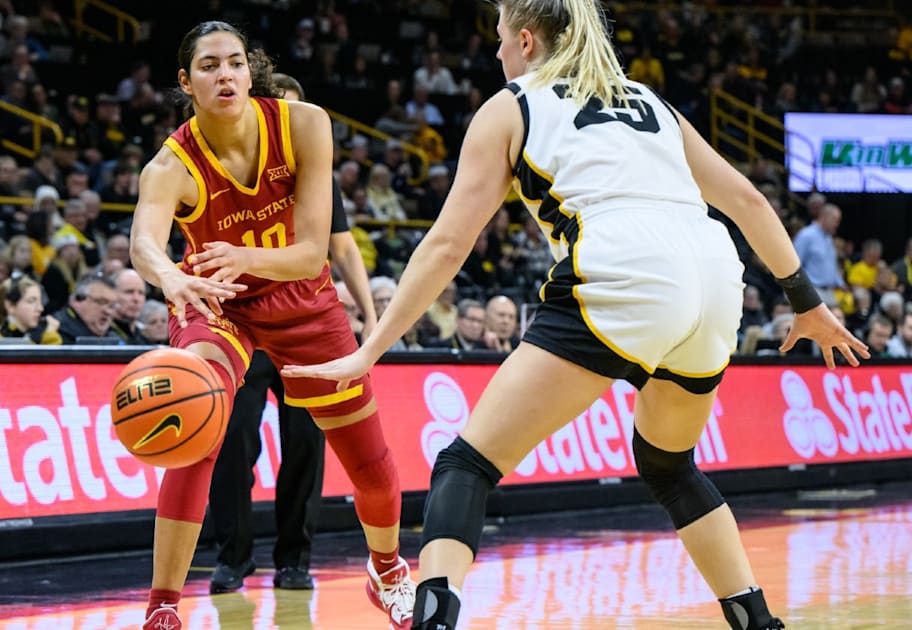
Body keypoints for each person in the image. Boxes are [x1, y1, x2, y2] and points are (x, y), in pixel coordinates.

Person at [282, 2, 868, 630]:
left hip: (624, 269)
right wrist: (807, 303)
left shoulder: (511, 104)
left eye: (502, 39)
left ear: (527, 40)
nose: (497, 53)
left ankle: (432, 622)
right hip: (716, 278)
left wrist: (371, 349)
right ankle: (758, 623)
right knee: (669, 465)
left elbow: (449, 245)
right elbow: (747, 198)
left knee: (466, 465)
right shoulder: (649, 101)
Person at [129, 22, 414, 630]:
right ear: (187, 82)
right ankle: (162, 609)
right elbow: (143, 244)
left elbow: (314, 252)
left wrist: (244, 256)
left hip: (303, 300)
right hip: (218, 304)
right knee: (193, 425)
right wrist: (170, 277)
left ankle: (387, 568)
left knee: (367, 459)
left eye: (234, 62)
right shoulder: (170, 165)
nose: (224, 74)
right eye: (208, 66)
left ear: (248, 71)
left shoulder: (305, 124)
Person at [207, 71, 378, 594]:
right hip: (245, 318)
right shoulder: (225, 167)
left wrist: (370, 316)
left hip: (305, 321)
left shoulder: (316, 173)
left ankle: (295, 559)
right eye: (284, 109)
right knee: (232, 439)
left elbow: (343, 247)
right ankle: (232, 555)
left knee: (305, 442)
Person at [0, 276, 61, 345]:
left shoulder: (30, 343)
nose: (40, 308)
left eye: (39, 301)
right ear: (10, 306)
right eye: (31, 301)